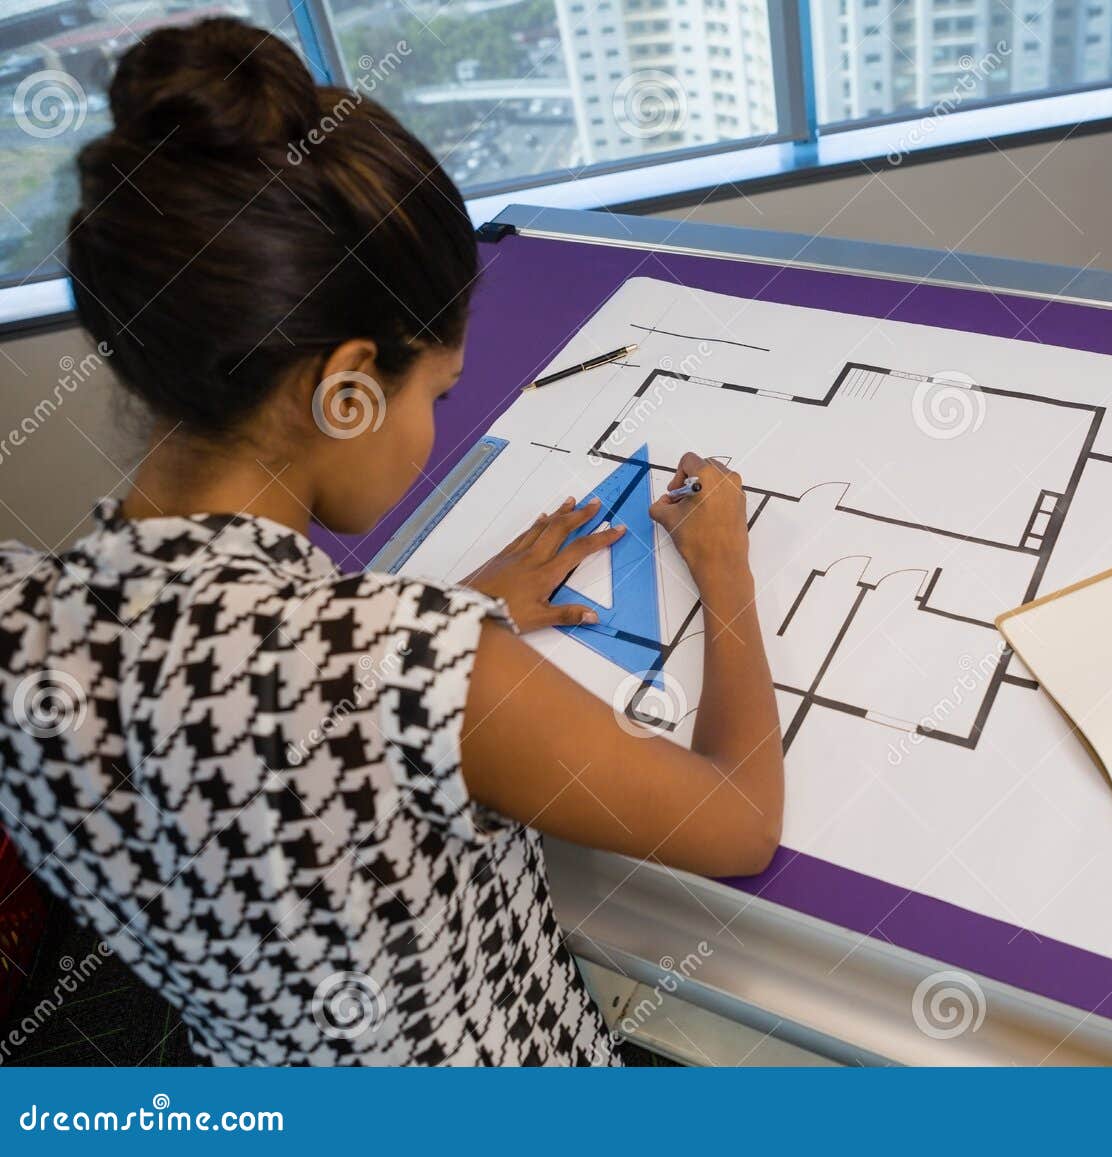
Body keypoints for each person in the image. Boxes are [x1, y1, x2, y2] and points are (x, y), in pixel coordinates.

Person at [0, 17, 783, 1066]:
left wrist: (460, 609)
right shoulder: (411, 667)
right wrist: (725, 567)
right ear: (347, 389)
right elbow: (738, 820)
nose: (433, 427)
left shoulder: (20, 616)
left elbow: (239, 697)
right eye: (437, 393)